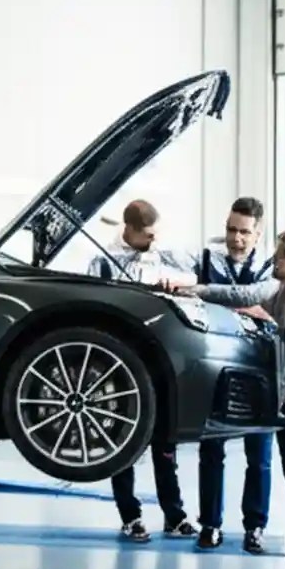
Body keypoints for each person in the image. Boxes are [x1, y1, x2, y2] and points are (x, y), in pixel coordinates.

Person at [172, 230, 285, 569]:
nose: (275, 261)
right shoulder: (284, 292)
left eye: (282, 257)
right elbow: (242, 295)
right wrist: (199, 291)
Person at [164, 197, 276, 554]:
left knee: (259, 456)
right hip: (217, 368)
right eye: (231, 229)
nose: (236, 238)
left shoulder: (274, 267)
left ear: (258, 234)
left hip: (261, 371)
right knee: (210, 451)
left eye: (244, 232)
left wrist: (216, 301)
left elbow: (267, 307)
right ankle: (210, 524)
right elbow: (162, 257)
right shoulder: (206, 258)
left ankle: (255, 526)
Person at [87, 199, 199, 543]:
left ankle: (174, 515)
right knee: (124, 445)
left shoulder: (163, 254)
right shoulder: (101, 263)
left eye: (156, 234)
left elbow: (194, 276)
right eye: (147, 236)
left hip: (160, 360)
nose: (153, 240)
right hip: (119, 368)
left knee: (166, 444)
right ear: (130, 230)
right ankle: (130, 516)